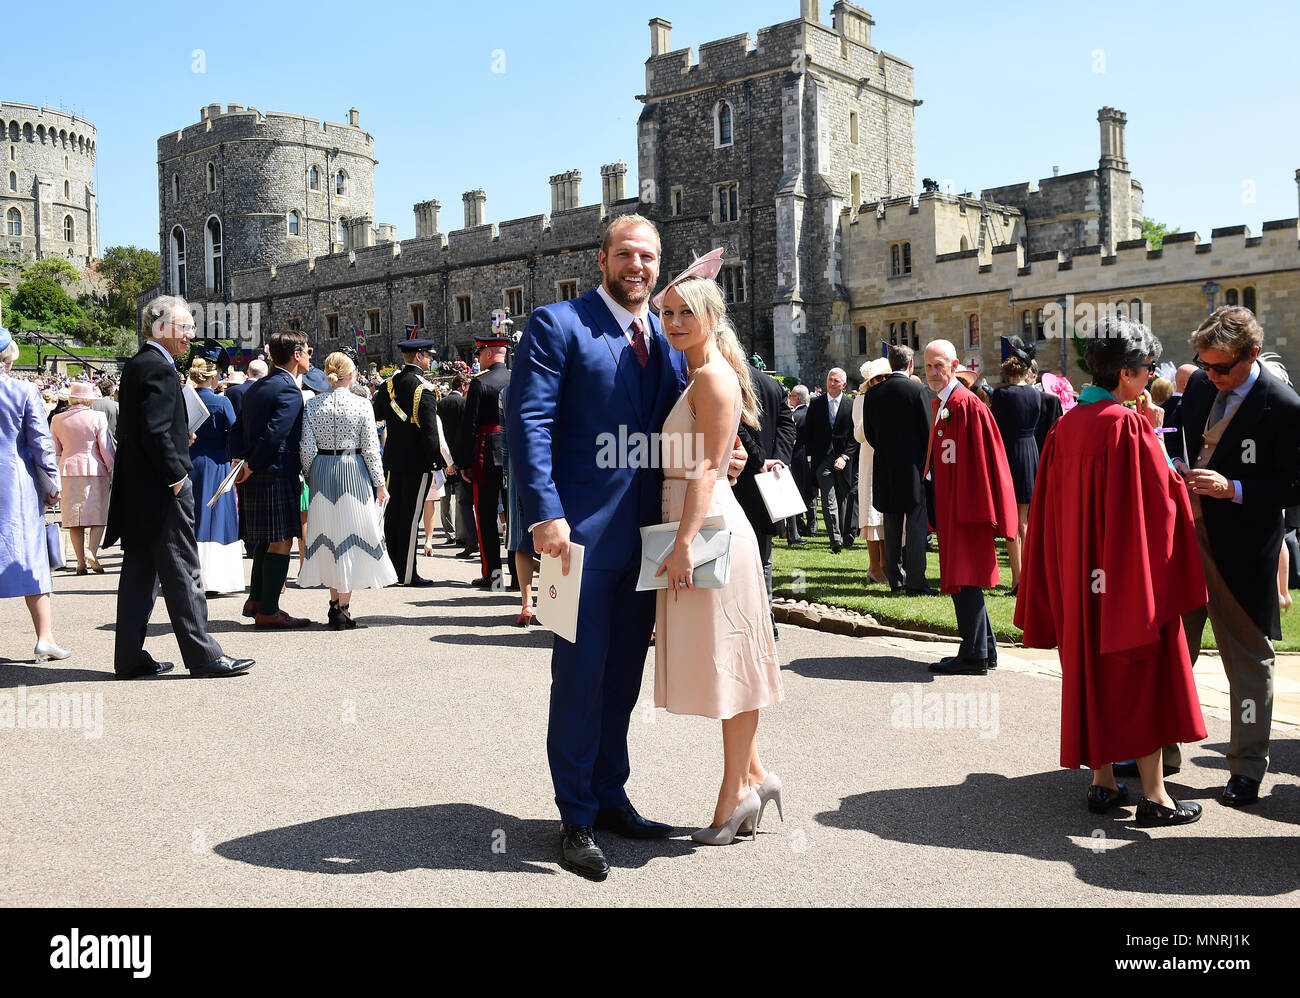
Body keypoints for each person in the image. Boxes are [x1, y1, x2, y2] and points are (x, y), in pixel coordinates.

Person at [505, 214, 689, 882]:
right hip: (573, 538)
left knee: (622, 679)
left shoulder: (666, 340)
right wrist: (543, 515)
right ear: (603, 259)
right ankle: (575, 814)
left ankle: (611, 796)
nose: (637, 266)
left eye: (648, 256)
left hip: (647, 536)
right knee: (579, 677)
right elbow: (527, 422)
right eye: (626, 254)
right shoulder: (559, 325)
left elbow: (682, 419)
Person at [1016, 315, 1208, 825]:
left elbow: (1049, 513)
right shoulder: (1126, 426)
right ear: (1126, 374)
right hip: (1125, 580)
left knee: (1091, 671)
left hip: (1082, 581)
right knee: (1140, 672)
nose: (1149, 377)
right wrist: (1157, 441)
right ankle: (1155, 797)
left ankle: (1102, 783)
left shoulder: (1065, 427)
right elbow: (1163, 500)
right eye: (1146, 369)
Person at [654, 268, 783, 843]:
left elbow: (708, 468)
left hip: (708, 531)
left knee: (733, 663)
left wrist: (683, 545)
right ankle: (755, 775)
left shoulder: (711, 378)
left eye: (686, 313)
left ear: (712, 316)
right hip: (701, 525)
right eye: (669, 313)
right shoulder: (698, 375)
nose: (675, 323)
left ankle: (735, 796)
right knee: (727, 659)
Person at [1174, 305, 1300, 807]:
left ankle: (1247, 766)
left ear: (1250, 355)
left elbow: (1294, 483)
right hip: (1185, 535)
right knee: (1172, 649)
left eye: (1221, 367)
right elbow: (1181, 437)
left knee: (1247, 663)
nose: (1209, 376)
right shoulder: (1204, 386)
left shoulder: (1284, 404)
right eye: (1203, 365)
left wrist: (1236, 488)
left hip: (1244, 548)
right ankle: (1161, 755)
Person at [104, 296, 254, 679]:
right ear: (160, 329)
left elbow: (147, 428)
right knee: (183, 572)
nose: (190, 335)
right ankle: (203, 656)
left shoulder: (143, 364)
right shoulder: (157, 367)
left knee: (139, 575)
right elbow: (153, 431)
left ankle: (129, 657)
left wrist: (177, 436)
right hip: (161, 489)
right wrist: (176, 477)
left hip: (142, 490)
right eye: (184, 327)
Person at [923, 339, 1017, 675]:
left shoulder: (964, 404)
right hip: (952, 502)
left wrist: (972, 508)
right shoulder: (948, 402)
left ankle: (974, 654)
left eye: (940, 365)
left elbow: (978, 460)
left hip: (965, 505)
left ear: (954, 364)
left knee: (964, 576)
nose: (933, 372)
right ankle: (983, 648)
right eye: (929, 365)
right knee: (963, 577)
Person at [298, 352, 396, 627]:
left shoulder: (313, 404)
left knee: (329, 536)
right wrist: (380, 483)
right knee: (352, 536)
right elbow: (371, 449)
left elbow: (306, 447)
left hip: (323, 469)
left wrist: (309, 474)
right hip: (354, 469)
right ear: (351, 375)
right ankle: (343, 607)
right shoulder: (362, 404)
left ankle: (333, 604)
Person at [0, 325, 71, 663]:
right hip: (14, 484)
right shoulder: (23, 391)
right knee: (30, 558)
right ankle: (45, 637)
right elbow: (41, 444)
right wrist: (53, 485)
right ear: (8, 359)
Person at [233, 329, 312, 628]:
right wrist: (252, 462)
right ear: (295, 355)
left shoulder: (257, 386)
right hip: (275, 471)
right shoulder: (289, 390)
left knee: (266, 540)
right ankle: (269, 609)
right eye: (306, 351)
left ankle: (255, 599)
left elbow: (236, 428)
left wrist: (239, 460)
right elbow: (276, 433)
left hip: (254, 471)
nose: (308, 356)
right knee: (282, 541)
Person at [861, 344, 934, 594]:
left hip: (885, 466)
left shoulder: (873, 394)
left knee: (891, 524)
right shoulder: (918, 389)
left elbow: (870, 434)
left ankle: (895, 579)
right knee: (915, 525)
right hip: (913, 467)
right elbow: (928, 431)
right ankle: (916, 581)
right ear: (910, 364)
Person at [372, 338, 443, 586]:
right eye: (428, 356)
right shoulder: (423, 388)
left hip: (393, 458)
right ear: (418, 356)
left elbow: (379, 414)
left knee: (394, 516)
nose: (431, 360)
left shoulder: (388, 384)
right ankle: (408, 573)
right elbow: (429, 431)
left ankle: (392, 569)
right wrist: (436, 462)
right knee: (411, 518)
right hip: (416, 461)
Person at [729, 356, 796, 619]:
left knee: (740, 552)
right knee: (763, 552)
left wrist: (760, 461)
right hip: (768, 478)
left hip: (741, 478)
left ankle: (750, 615)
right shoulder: (772, 384)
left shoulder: (731, 381)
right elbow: (787, 427)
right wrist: (777, 462)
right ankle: (766, 616)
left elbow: (737, 428)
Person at [455, 333, 511, 589]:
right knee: (515, 518)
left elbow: (469, 426)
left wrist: (464, 463)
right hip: (514, 457)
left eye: (479, 354)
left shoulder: (480, 383)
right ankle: (520, 578)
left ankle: (494, 577)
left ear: (488, 353)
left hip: (486, 456)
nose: (478, 359)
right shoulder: (517, 379)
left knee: (487, 517)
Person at [184, 357, 243, 594]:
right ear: (212, 377)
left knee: (192, 517)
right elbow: (235, 433)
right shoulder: (222, 402)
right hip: (217, 462)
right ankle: (215, 578)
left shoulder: (185, 399)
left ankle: (192, 578)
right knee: (217, 518)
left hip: (189, 460)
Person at [989, 337, 1042, 595]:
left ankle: (1018, 579)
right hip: (1031, 452)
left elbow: (996, 427)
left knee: (1013, 521)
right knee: (1025, 520)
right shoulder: (1036, 395)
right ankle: (1029, 577)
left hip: (1010, 453)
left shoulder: (1001, 395)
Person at [50, 382, 115, 575]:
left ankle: (80, 562)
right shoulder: (97, 417)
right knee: (98, 515)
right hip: (95, 467)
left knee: (73, 518)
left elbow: (55, 450)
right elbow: (105, 448)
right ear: (89, 399)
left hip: (67, 468)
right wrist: (112, 468)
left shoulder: (57, 419)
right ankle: (91, 552)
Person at [805, 367, 858, 552]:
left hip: (844, 459)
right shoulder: (816, 403)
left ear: (844, 384)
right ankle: (835, 538)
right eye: (830, 380)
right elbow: (808, 432)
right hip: (822, 459)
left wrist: (845, 457)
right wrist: (810, 457)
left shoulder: (851, 405)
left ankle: (844, 534)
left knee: (842, 498)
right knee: (828, 498)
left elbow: (855, 436)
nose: (832, 383)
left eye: (836, 381)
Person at [499, 380, 538, 625]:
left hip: (518, 466)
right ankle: (555, 599)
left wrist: (506, 472)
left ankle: (527, 602)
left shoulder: (508, 391)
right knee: (558, 536)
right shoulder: (559, 378)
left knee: (522, 538)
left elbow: (504, 439)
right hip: (555, 463)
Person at [852, 357, 893, 586]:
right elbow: (859, 435)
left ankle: (886, 564)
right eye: (878, 378)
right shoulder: (862, 400)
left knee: (886, 514)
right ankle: (874, 566)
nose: (883, 381)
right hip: (870, 457)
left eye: (886, 377)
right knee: (871, 513)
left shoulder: (890, 397)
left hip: (887, 458)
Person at [437, 373, 471, 551]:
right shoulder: (464, 404)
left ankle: (448, 532)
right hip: (458, 455)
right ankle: (460, 535)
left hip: (443, 456)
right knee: (459, 497)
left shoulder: (440, 403)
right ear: (463, 387)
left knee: (444, 496)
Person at [785, 385, 814, 545]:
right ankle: (800, 530)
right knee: (803, 493)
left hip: (794, 457)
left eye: (792, 395)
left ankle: (793, 532)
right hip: (801, 457)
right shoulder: (805, 413)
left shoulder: (795, 415)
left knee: (794, 494)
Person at [90, 375, 118, 444]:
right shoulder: (116, 406)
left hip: (94, 444)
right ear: (111, 392)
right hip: (113, 443)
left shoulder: (90, 405)